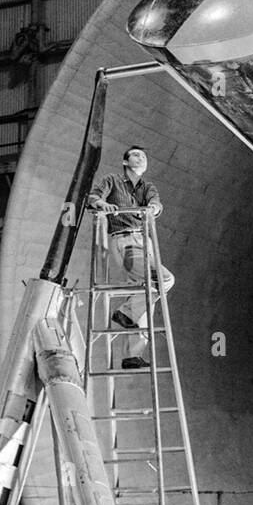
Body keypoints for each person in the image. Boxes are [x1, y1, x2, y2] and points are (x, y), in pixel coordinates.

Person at [86, 146, 174, 369]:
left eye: (144, 155)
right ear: (125, 162)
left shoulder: (147, 187)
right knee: (163, 280)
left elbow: (156, 204)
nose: (141, 157)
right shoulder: (112, 180)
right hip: (125, 239)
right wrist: (103, 204)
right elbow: (93, 197)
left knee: (144, 299)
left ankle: (131, 356)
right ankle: (124, 312)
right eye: (136, 154)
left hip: (146, 242)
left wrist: (153, 209)